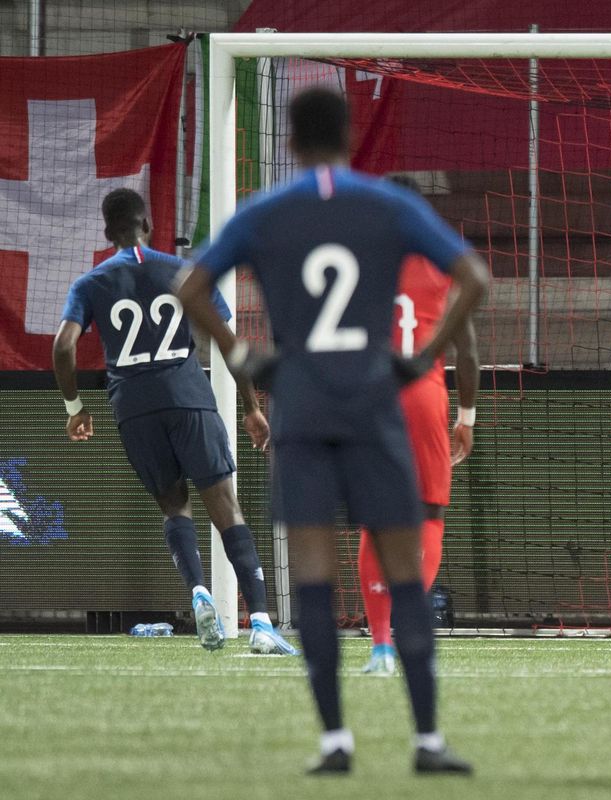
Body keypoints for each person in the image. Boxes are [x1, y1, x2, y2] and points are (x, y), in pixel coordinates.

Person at [176, 87, 489, 774]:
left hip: (304, 402)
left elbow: (191, 287)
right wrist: (421, 355)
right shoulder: (391, 205)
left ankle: (334, 743)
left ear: (289, 142)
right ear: (351, 139)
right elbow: (474, 274)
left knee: (315, 577)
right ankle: (428, 741)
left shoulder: (265, 212)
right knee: (407, 572)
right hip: (376, 397)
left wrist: (243, 356)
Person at [51, 189, 295, 657]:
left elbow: (63, 347)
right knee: (225, 505)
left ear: (108, 232)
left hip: (134, 408)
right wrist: (251, 406)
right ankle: (262, 623)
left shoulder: (91, 282)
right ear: (148, 223)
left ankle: (199, 591)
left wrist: (75, 408)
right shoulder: (182, 271)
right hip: (188, 398)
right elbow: (228, 340)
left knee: (173, 507)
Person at [358, 238, 480, 676]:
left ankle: (381, 645)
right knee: (428, 513)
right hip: (425, 398)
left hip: (372, 396)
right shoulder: (442, 269)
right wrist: (466, 418)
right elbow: (466, 351)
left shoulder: (361, 262)